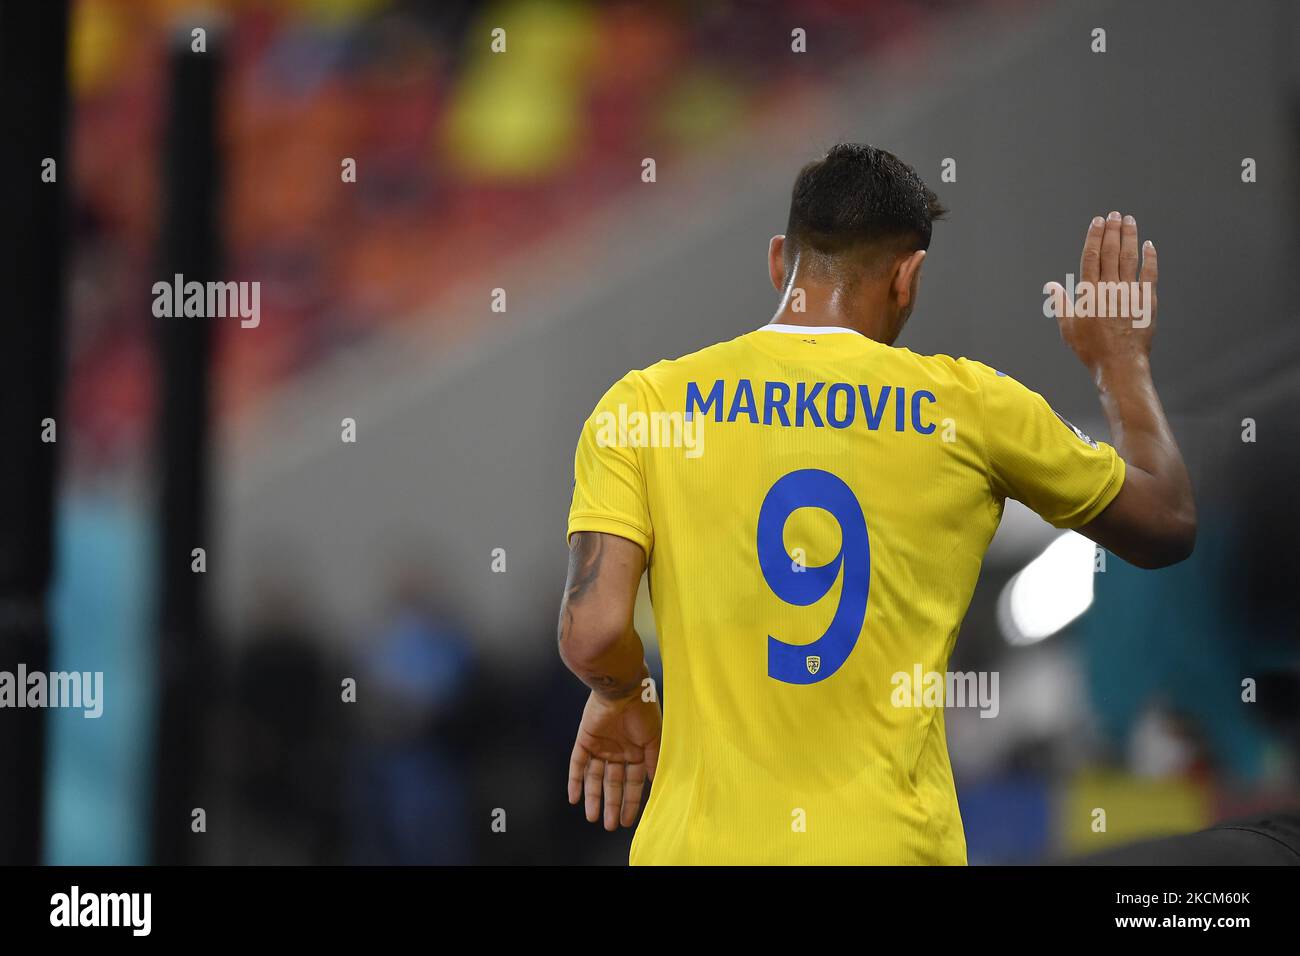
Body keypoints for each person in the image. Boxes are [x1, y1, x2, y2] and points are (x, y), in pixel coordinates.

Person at [556, 143, 1195, 864]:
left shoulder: (645, 404)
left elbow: (594, 631)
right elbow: (1167, 524)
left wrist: (623, 694)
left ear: (778, 261)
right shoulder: (970, 407)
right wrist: (1121, 364)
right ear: (909, 277)